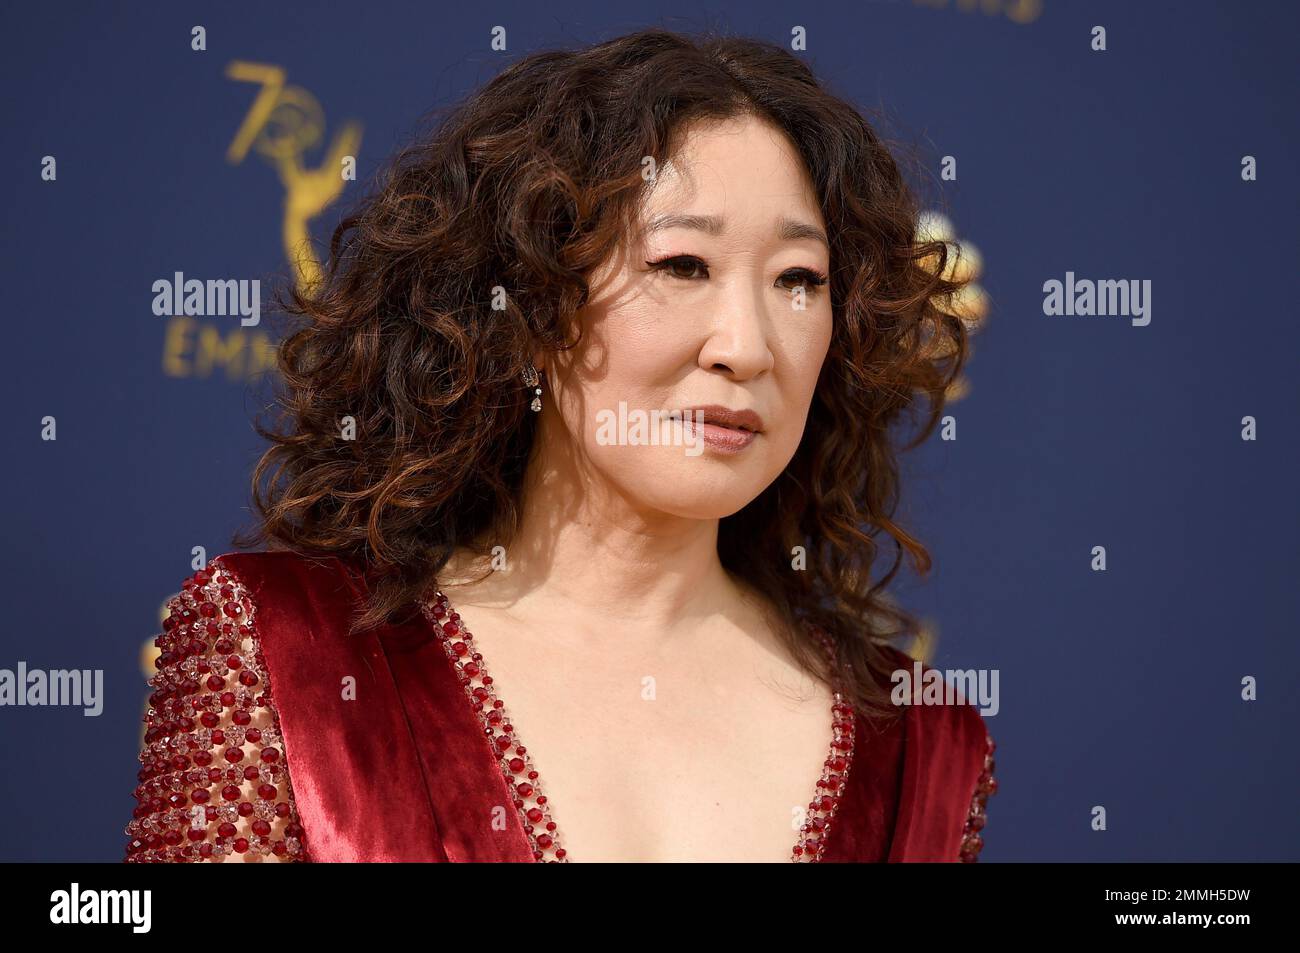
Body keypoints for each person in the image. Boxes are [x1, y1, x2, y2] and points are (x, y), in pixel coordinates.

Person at [124, 27, 995, 863]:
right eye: (682, 265)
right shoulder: (284, 652)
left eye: (799, 280)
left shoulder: (923, 748)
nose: (747, 344)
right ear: (533, 300)